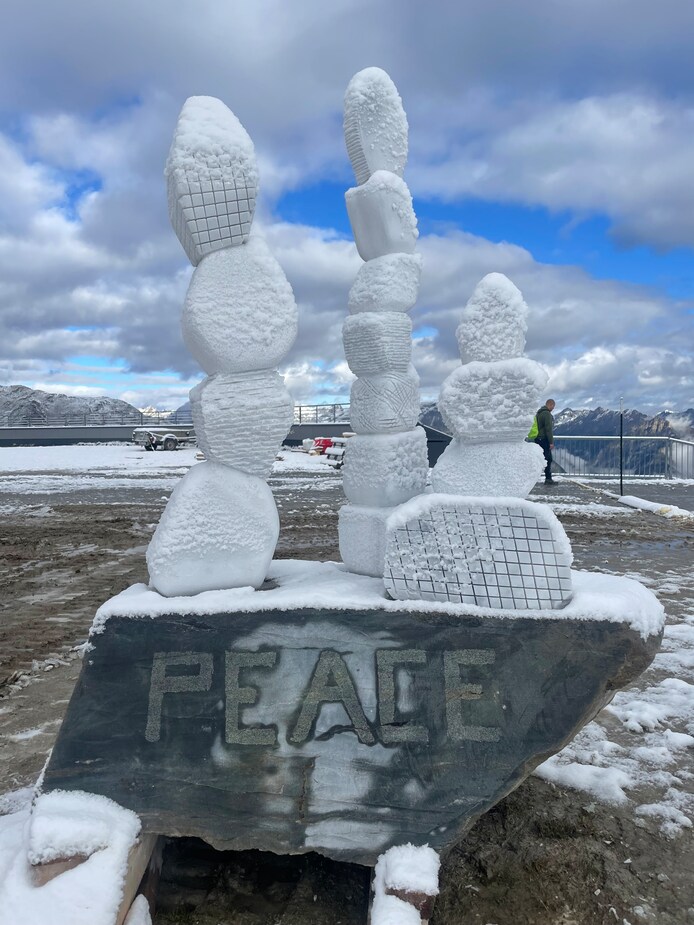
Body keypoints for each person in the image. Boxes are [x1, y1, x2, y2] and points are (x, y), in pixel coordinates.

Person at [535, 399, 556, 484]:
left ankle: (547, 478)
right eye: (553, 407)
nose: (553, 408)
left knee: (541, 458)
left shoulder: (539, 413)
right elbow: (548, 429)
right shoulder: (547, 414)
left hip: (538, 438)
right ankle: (548, 479)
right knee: (548, 459)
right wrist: (551, 442)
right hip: (544, 440)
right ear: (550, 405)